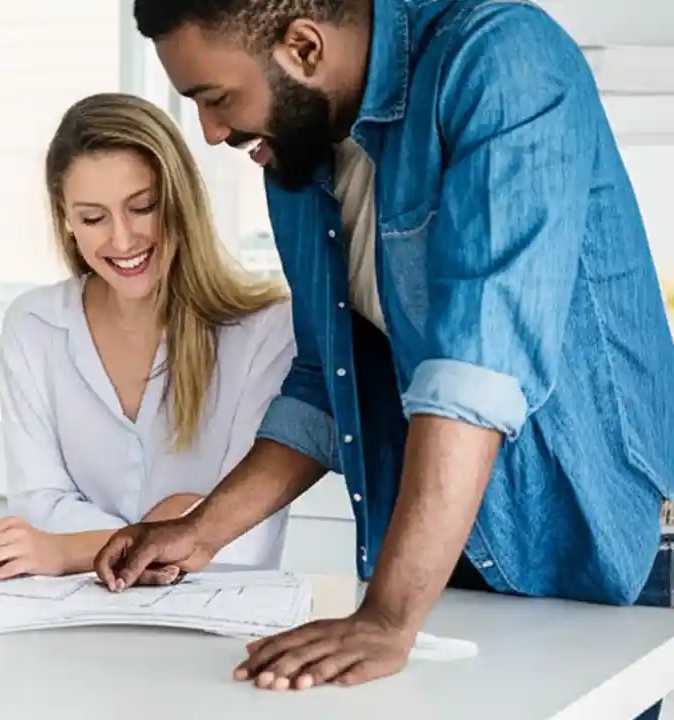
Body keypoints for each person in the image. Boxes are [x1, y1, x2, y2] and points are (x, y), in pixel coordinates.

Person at [94, 0, 674, 713]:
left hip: (616, 546)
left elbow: (477, 371)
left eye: (216, 99)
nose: (213, 134)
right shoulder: (301, 152)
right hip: (457, 563)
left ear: (303, 47)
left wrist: (387, 616)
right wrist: (201, 532)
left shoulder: (502, 63)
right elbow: (323, 381)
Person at [0, 92, 297, 582]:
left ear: (180, 201)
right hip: (79, 623)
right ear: (66, 220)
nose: (122, 239)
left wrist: (65, 550)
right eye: (93, 217)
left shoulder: (266, 329)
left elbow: (241, 537)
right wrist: (174, 528)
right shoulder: (33, 328)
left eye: (142, 207)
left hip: (214, 631)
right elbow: (39, 506)